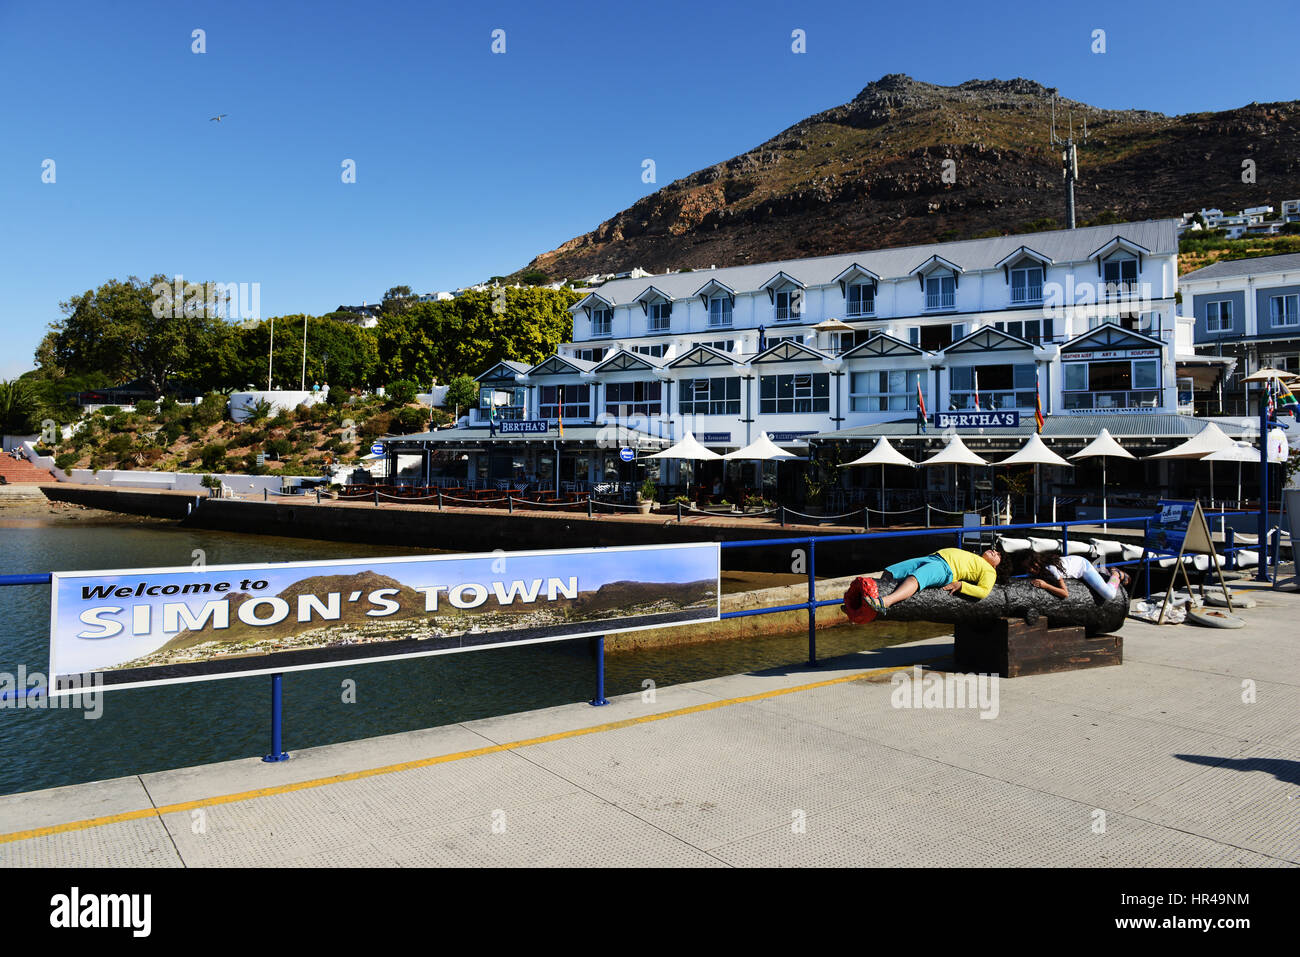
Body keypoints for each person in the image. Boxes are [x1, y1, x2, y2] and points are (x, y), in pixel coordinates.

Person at [863, 546, 1004, 617]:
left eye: (998, 555)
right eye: (996, 551)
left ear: (995, 565)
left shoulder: (990, 571)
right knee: (891, 571)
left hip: (946, 568)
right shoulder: (976, 557)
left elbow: (984, 591)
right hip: (934, 558)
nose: (995, 552)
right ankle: (866, 607)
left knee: (915, 579)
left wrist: (961, 585)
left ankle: (885, 602)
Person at [1023, 551, 1129, 600]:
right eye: (1027, 568)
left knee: (1109, 595)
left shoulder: (1051, 569)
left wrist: (1045, 586)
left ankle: (1116, 574)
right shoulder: (1034, 571)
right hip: (1074, 562)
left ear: (1037, 563)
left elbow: (1065, 593)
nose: (1030, 570)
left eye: (1032, 567)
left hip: (1082, 567)